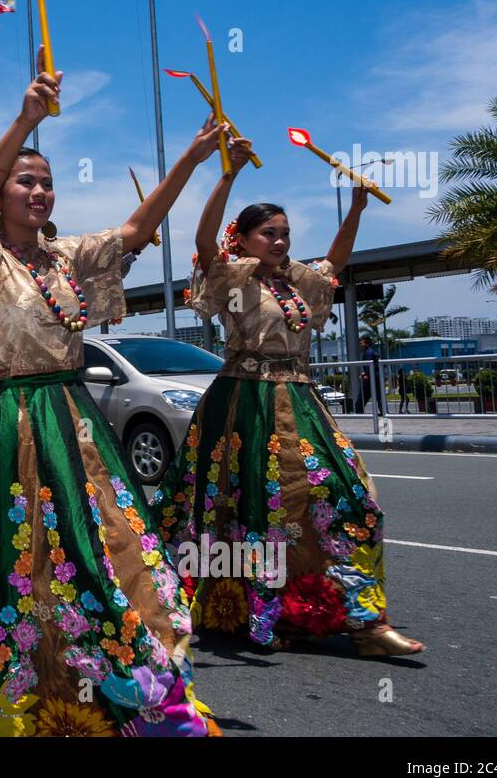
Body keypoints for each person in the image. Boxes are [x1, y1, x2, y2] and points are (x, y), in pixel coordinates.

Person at [0, 49, 222, 736]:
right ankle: (11, 700)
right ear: (3, 192)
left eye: (47, 184)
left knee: (105, 551)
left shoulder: (67, 258)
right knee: (16, 560)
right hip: (8, 421)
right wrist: (25, 117)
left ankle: (130, 689)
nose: (39, 193)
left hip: (74, 422)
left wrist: (193, 157)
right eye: (25, 183)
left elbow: (138, 230)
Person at [153, 163, 425, 657]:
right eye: (268, 233)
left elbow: (334, 264)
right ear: (246, 238)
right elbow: (206, 237)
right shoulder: (232, 277)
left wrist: (357, 208)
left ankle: (366, 621)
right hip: (244, 401)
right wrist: (227, 176)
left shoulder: (298, 280)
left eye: (285, 233)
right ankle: (258, 613)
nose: (279, 242)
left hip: (300, 398)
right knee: (259, 506)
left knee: (350, 497)